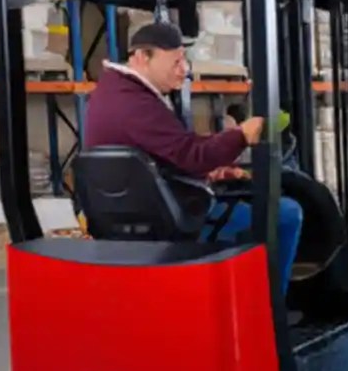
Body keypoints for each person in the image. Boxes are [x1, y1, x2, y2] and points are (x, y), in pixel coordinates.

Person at [83, 22, 303, 285]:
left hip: (150, 210)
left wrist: (208, 170)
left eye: (184, 60)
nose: (184, 70)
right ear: (143, 58)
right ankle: (269, 309)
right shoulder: (136, 103)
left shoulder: (113, 93)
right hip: (174, 219)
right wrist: (242, 135)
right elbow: (190, 154)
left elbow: (170, 152)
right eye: (175, 61)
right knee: (286, 214)